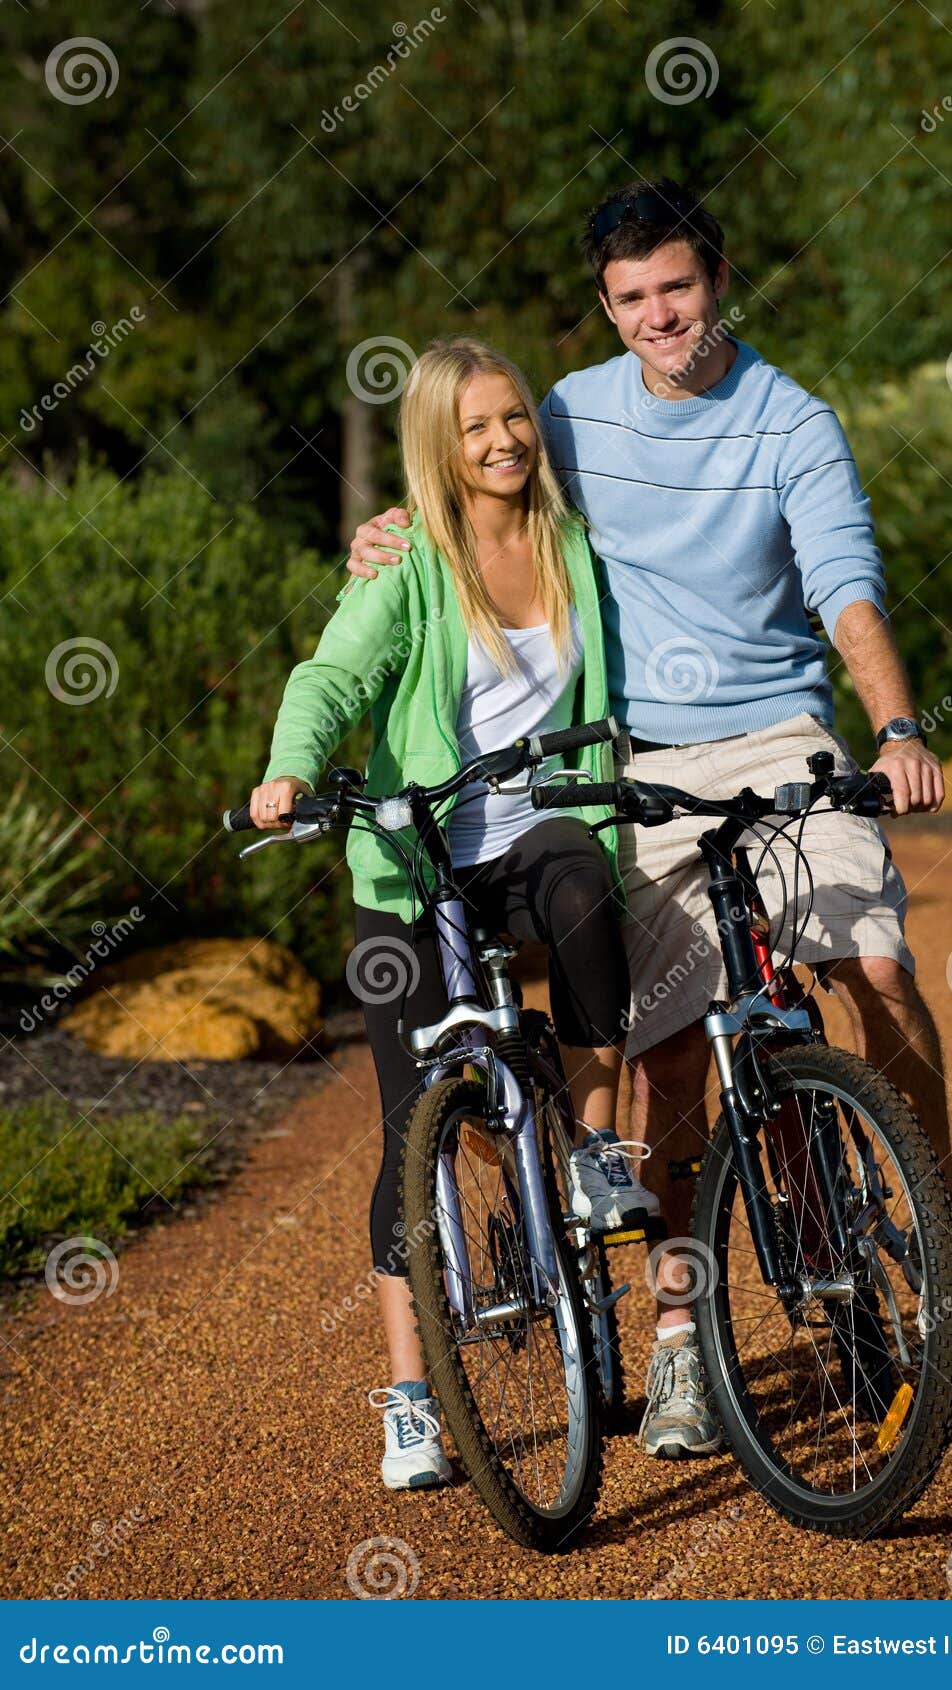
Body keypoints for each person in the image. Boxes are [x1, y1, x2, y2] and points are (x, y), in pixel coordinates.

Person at [345, 179, 952, 1459]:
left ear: (719, 280)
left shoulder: (792, 420)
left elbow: (846, 583)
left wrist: (900, 726)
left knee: (873, 970)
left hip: (781, 734)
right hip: (634, 758)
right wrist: (395, 530)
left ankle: (942, 1222)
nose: (661, 317)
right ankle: (682, 1342)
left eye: (680, 289)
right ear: (607, 304)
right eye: (634, 297)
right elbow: (482, 487)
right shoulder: (575, 415)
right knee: (672, 1065)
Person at [246, 337, 658, 1492]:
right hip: (416, 864)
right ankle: (413, 1395)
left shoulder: (570, 545)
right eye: (476, 427)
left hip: (535, 844)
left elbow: (619, 673)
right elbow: (329, 678)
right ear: (440, 441)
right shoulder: (410, 562)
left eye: (514, 417)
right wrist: (289, 771)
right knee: (409, 1125)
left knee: (582, 874)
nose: (504, 441)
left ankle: (590, 1155)